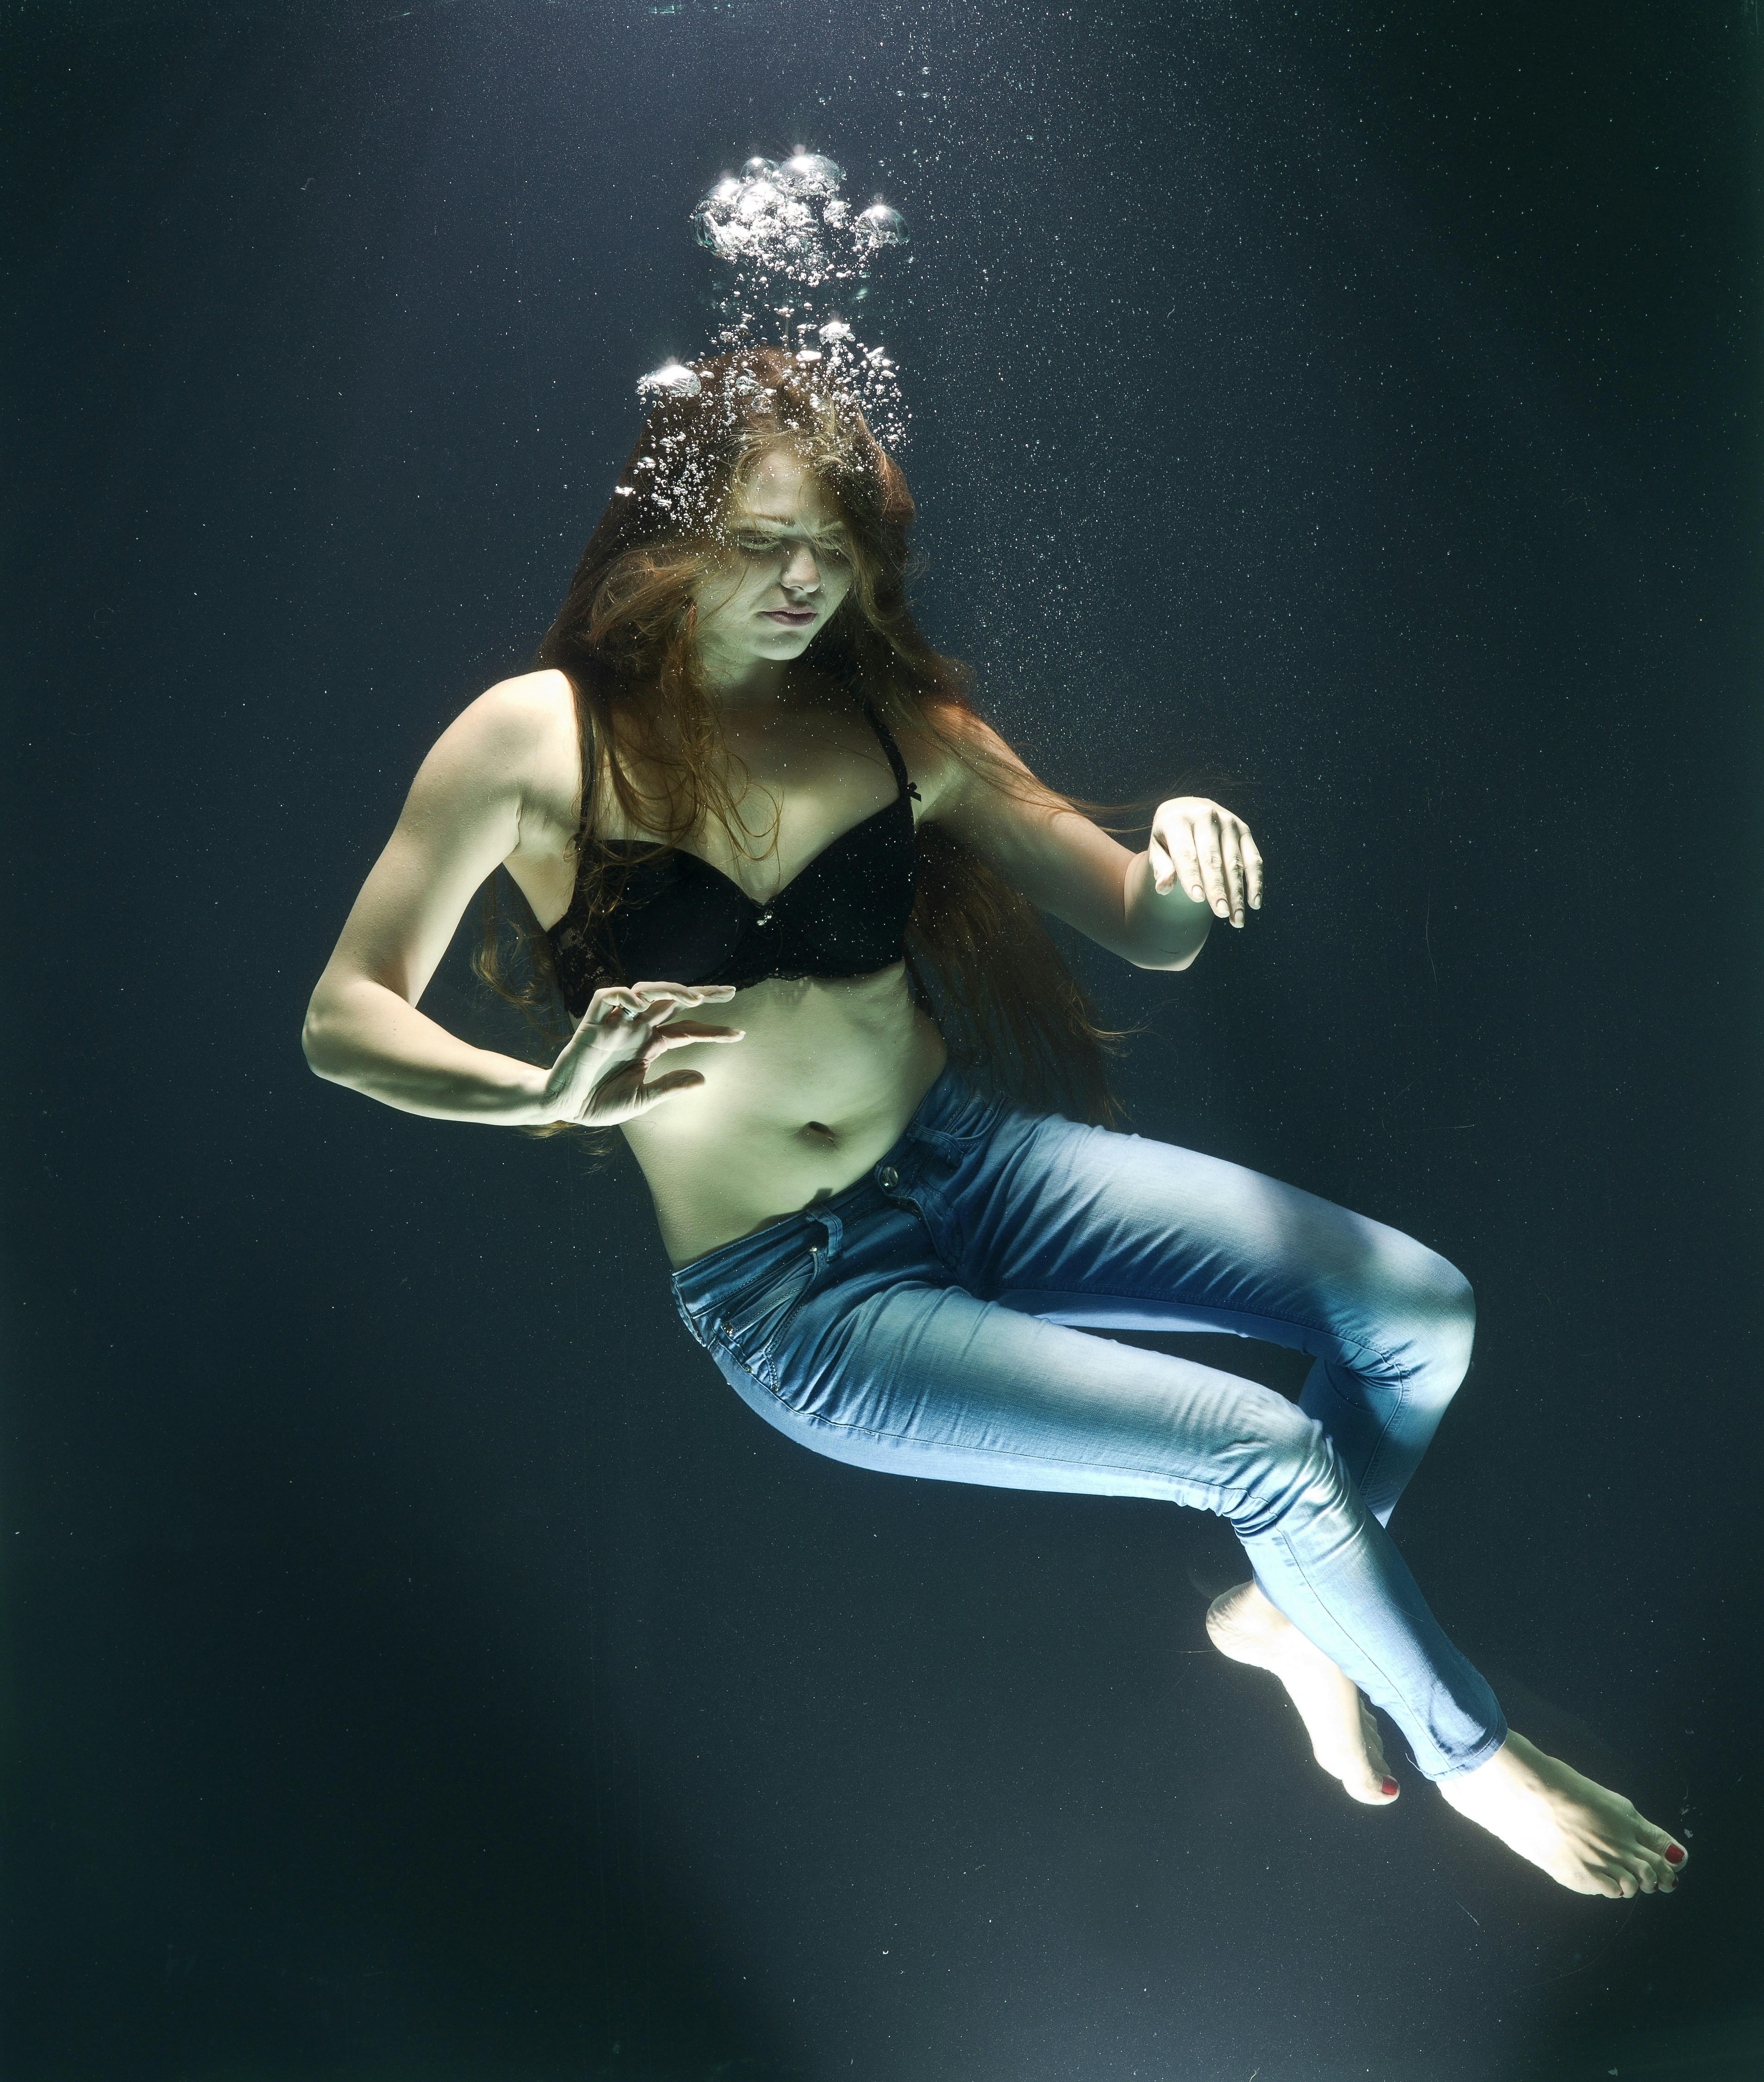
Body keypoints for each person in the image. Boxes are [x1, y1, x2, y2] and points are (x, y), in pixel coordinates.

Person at [302, 347, 1684, 1900]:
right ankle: (1476, 1765)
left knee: (1415, 1313)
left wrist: (1171, 843)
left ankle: (1286, 1617)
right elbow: (345, 1013)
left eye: (831, 546)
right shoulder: (536, 736)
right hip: (801, 1293)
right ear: (671, 536)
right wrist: (534, 1092)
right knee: (1263, 1451)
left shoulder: (898, 727)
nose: (802, 580)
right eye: (761, 542)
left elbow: (1144, 928)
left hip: (978, 1168)